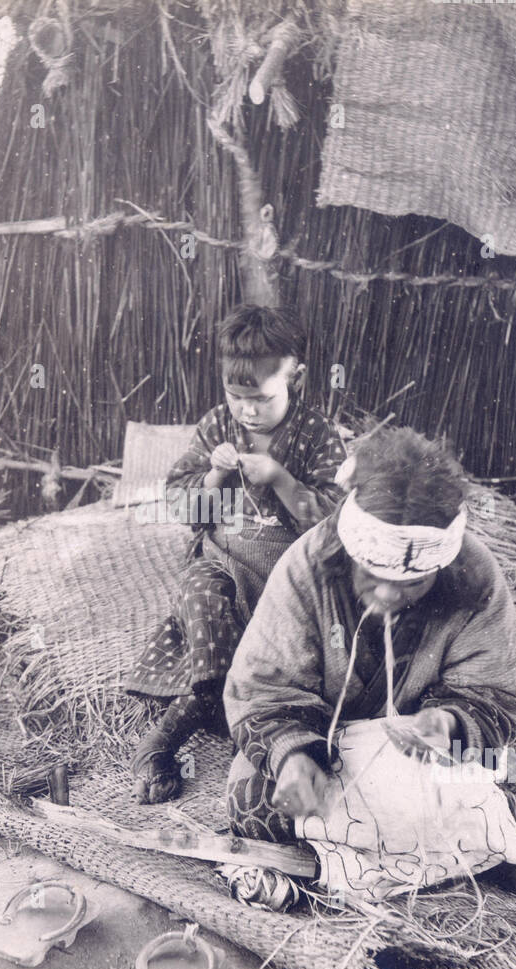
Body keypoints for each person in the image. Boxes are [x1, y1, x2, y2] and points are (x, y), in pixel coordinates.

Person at [221, 427, 516, 937]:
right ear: (350, 549)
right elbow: (264, 688)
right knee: (248, 803)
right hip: (327, 749)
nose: (387, 595)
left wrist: (447, 722)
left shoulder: (475, 576)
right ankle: (468, 853)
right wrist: (293, 755)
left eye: (412, 584)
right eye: (372, 575)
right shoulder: (306, 566)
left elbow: (496, 693)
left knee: (474, 790)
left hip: (428, 761)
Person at [125, 304, 347, 804]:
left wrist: (280, 478)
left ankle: (175, 737)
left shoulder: (317, 435)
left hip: (290, 573)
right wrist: (215, 476)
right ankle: (179, 735)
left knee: (296, 645)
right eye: (236, 396)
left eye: (262, 399)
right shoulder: (215, 426)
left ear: (298, 377)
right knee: (201, 593)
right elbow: (186, 506)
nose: (247, 411)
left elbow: (334, 522)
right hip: (223, 559)